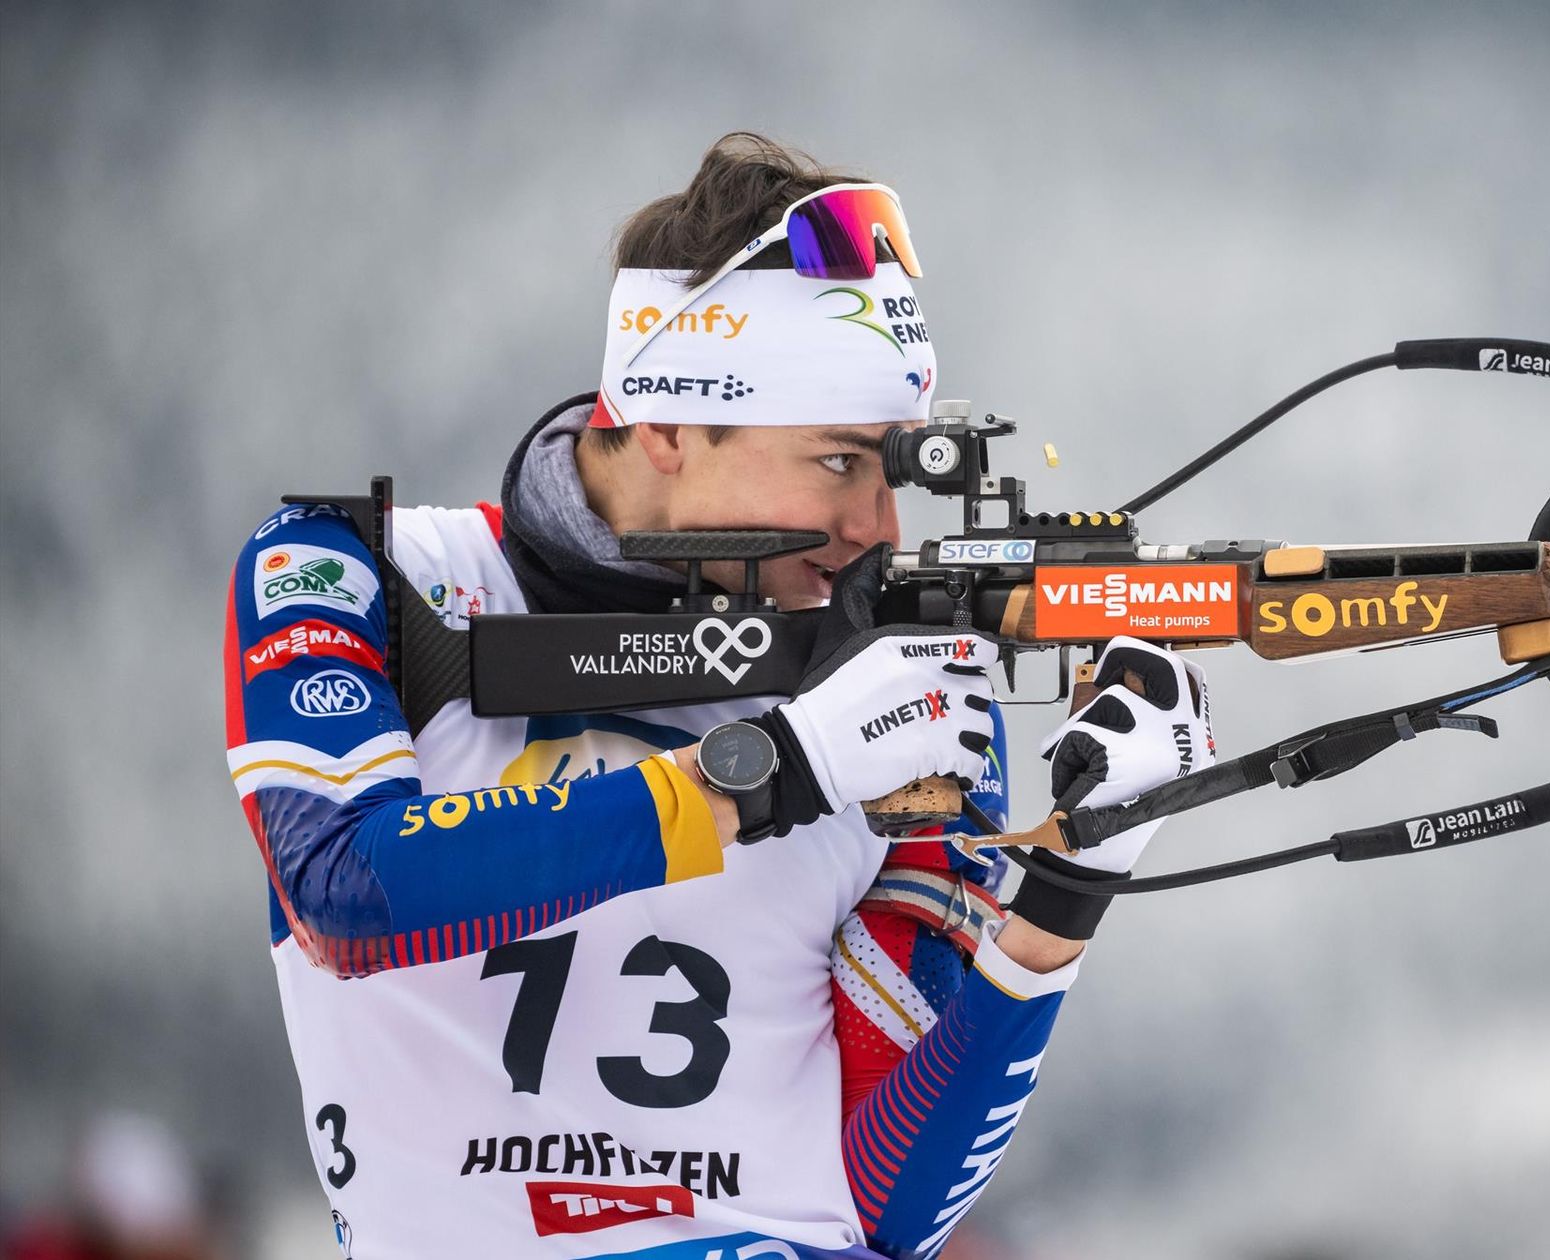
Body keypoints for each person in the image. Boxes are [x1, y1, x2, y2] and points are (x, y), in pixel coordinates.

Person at [220, 132, 1214, 1259]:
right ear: (666, 426)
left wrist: (1072, 885)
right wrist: (775, 773)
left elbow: (885, 1199)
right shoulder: (361, 572)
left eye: (897, 472)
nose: (881, 532)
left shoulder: (898, 686)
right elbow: (350, 892)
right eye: (841, 462)